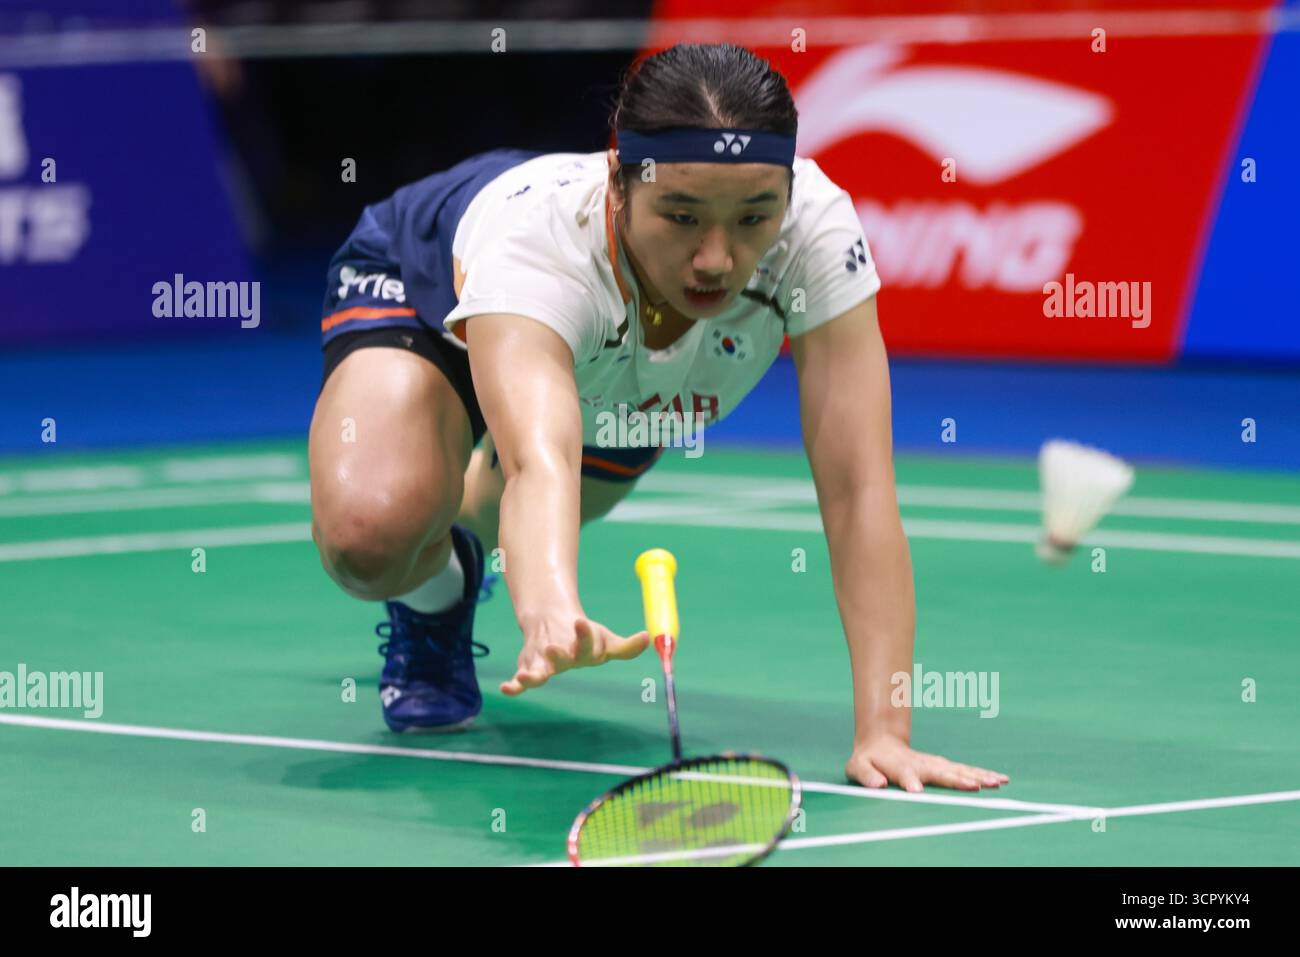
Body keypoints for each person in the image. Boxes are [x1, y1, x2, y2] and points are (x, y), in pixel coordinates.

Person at [308, 42, 1009, 794]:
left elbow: (859, 488)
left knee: (479, 516)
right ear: (619, 181)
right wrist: (550, 606)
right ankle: (434, 603)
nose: (716, 259)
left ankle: (455, 566)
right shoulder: (540, 249)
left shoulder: (816, 233)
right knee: (372, 533)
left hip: (621, 376)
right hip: (426, 288)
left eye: (754, 216)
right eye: (682, 216)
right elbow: (539, 464)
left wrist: (885, 731)